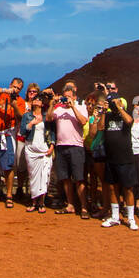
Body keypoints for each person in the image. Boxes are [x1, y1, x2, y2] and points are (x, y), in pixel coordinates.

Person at [99, 85, 139, 231]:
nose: (113, 105)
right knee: (112, 187)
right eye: (111, 103)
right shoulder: (108, 116)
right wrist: (104, 111)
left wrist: (120, 108)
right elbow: (101, 128)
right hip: (111, 158)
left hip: (126, 158)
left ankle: (130, 218)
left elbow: (129, 122)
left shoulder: (126, 115)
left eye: (115, 102)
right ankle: (115, 217)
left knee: (128, 188)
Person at [48, 81, 89, 217]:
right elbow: (48, 118)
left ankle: (84, 207)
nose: (66, 99)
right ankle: (70, 204)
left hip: (76, 146)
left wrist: (73, 108)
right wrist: (52, 104)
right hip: (61, 147)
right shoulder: (59, 110)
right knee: (65, 178)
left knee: (79, 178)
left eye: (69, 97)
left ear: (74, 97)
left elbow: (83, 121)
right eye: (65, 97)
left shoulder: (81, 107)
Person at [23, 96, 54, 212]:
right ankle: (34, 201)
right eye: (34, 100)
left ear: (42, 104)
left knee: (44, 175)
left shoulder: (47, 116)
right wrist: (31, 123)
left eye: (39, 100)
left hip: (44, 149)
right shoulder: (27, 116)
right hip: (31, 149)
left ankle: (42, 203)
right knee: (33, 176)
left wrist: (52, 145)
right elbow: (22, 131)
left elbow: (52, 132)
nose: (36, 101)